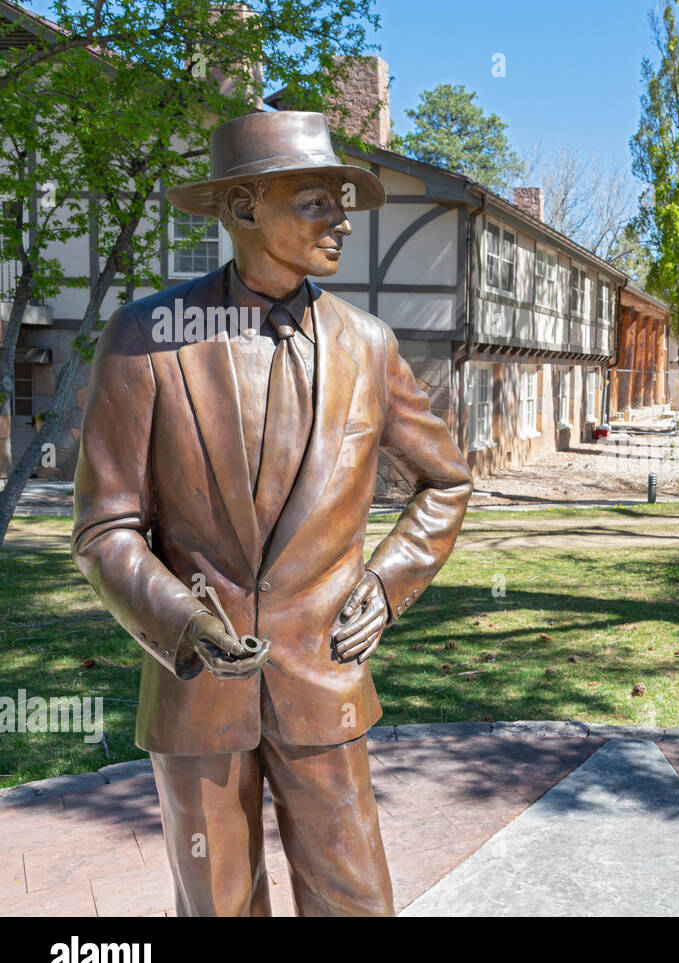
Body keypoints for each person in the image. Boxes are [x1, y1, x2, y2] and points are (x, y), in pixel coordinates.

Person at [71, 110, 473, 916]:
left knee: (355, 900)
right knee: (217, 905)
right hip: (196, 694)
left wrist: (387, 585)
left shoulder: (369, 345)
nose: (343, 222)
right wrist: (183, 622)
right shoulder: (145, 339)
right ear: (245, 208)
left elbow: (448, 481)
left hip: (325, 679)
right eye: (318, 200)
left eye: (342, 202)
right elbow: (104, 529)